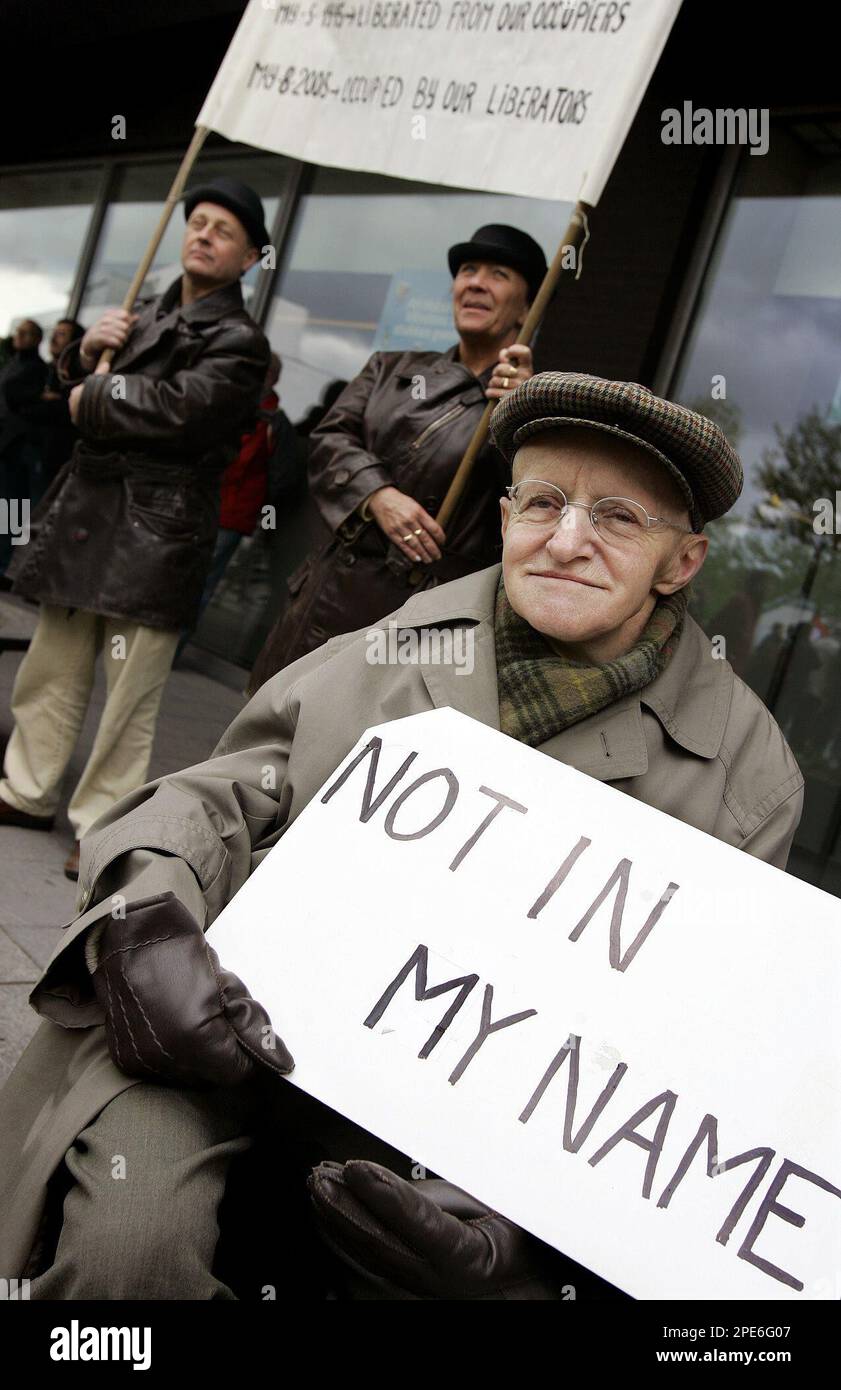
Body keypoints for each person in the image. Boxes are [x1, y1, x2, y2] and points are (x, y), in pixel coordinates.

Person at [0, 373, 804, 1300]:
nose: (567, 540)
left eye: (618, 518)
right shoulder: (389, 643)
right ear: (503, 516)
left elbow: (706, 1064)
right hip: (230, 1047)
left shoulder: (745, 778)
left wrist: (534, 1251)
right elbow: (220, 797)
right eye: (542, 501)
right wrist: (145, 914)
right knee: (126, 1257)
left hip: (487, 1159)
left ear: (682, 562)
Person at [0, 177, 270, 881]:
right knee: (51, 667)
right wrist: (84, 353)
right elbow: (79, 388)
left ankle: (101, 831)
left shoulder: (240, 340)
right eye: (197, 222)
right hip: (90, 515)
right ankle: (27, 791)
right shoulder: (139, 313)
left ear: (249, 259)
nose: (203, 234)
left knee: (129, 696)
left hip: (156, 530)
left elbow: (188, 409)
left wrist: (99, 390)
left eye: (223, 230)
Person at [248, 224, 547, 692]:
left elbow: (530, 501)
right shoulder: (390, 367)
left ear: (527, 307)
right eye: (468, 270)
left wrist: (523, 415)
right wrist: (378, 496)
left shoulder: (531, 406)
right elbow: (329, 439)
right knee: (262, 740)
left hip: (414, 624)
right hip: (320, 606)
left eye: (498, 274)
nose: (475, 282)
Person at [17, 318, 86, 500]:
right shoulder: (43, 370)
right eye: (54, 333)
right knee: (14, 506)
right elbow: (20, 402)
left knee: (36, 508)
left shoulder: (76, 377)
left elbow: (65, 410)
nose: (54, 338)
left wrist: (45, 402)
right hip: (28, 450)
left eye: (62, 334)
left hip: (53, 457)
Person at [0, 319, 47, 571]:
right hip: (8, 444)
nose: (18, 337)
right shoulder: (13, 364)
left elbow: (16, 396)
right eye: (18, 332)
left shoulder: (36, 367)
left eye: (25, 333)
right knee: (8, 506)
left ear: (37, 339)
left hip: (21, 446)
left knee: (16, 507)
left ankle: (8, 564)